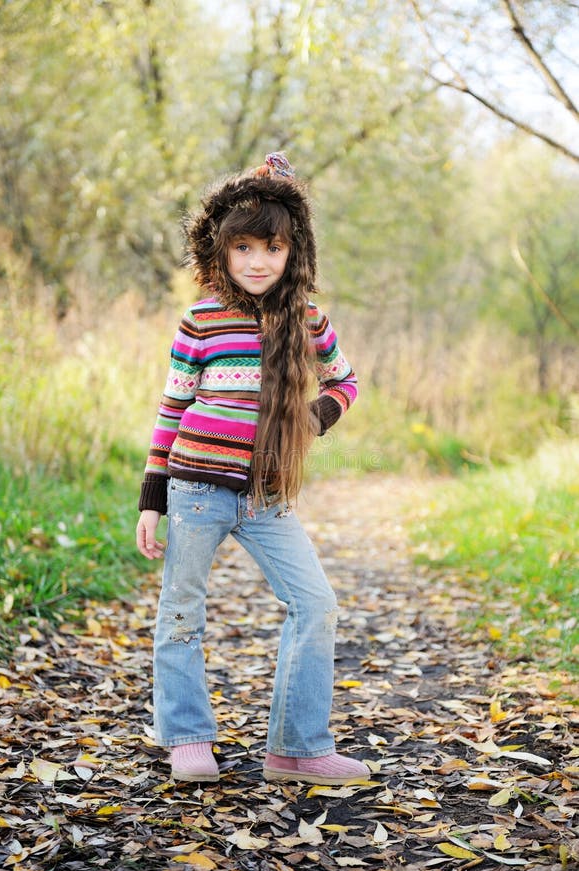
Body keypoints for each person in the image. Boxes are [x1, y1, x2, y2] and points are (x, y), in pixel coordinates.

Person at [136, 153, 370, 786]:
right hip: (194, 488)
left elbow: (345, 382)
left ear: (294, 251)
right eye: (243, 247)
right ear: (221, 250)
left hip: (268, 496)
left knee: (315, 604)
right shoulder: (202, 320)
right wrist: (151, 497)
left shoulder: (309, 321)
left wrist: (312, 419)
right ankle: (187, 735)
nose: (258, 261)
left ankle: (295, 748)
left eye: (272, 246)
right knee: (182, 610)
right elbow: (173, 405)